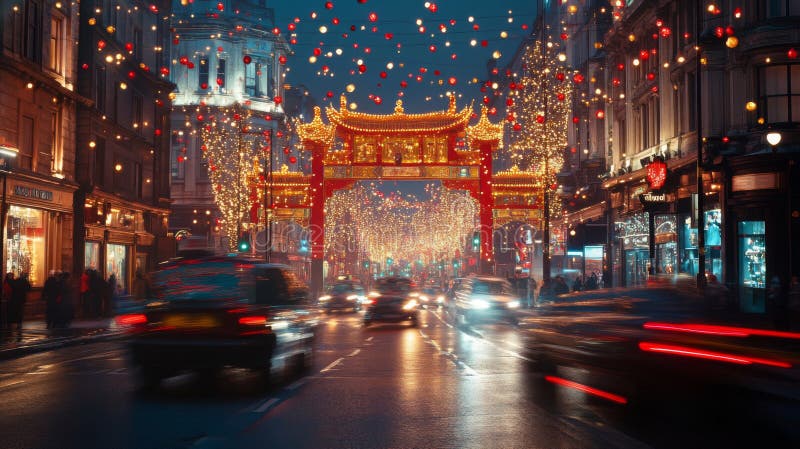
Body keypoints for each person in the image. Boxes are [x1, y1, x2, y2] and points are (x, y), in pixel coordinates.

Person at [9, 272, 31, 338]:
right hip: (21, 299)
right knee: (20, 311)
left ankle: (15, 323)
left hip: (15, 298)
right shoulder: (25, 281)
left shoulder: (16, 280)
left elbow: (12, 285)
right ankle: (19, 323)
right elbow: (29, 288)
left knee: (16, 311)